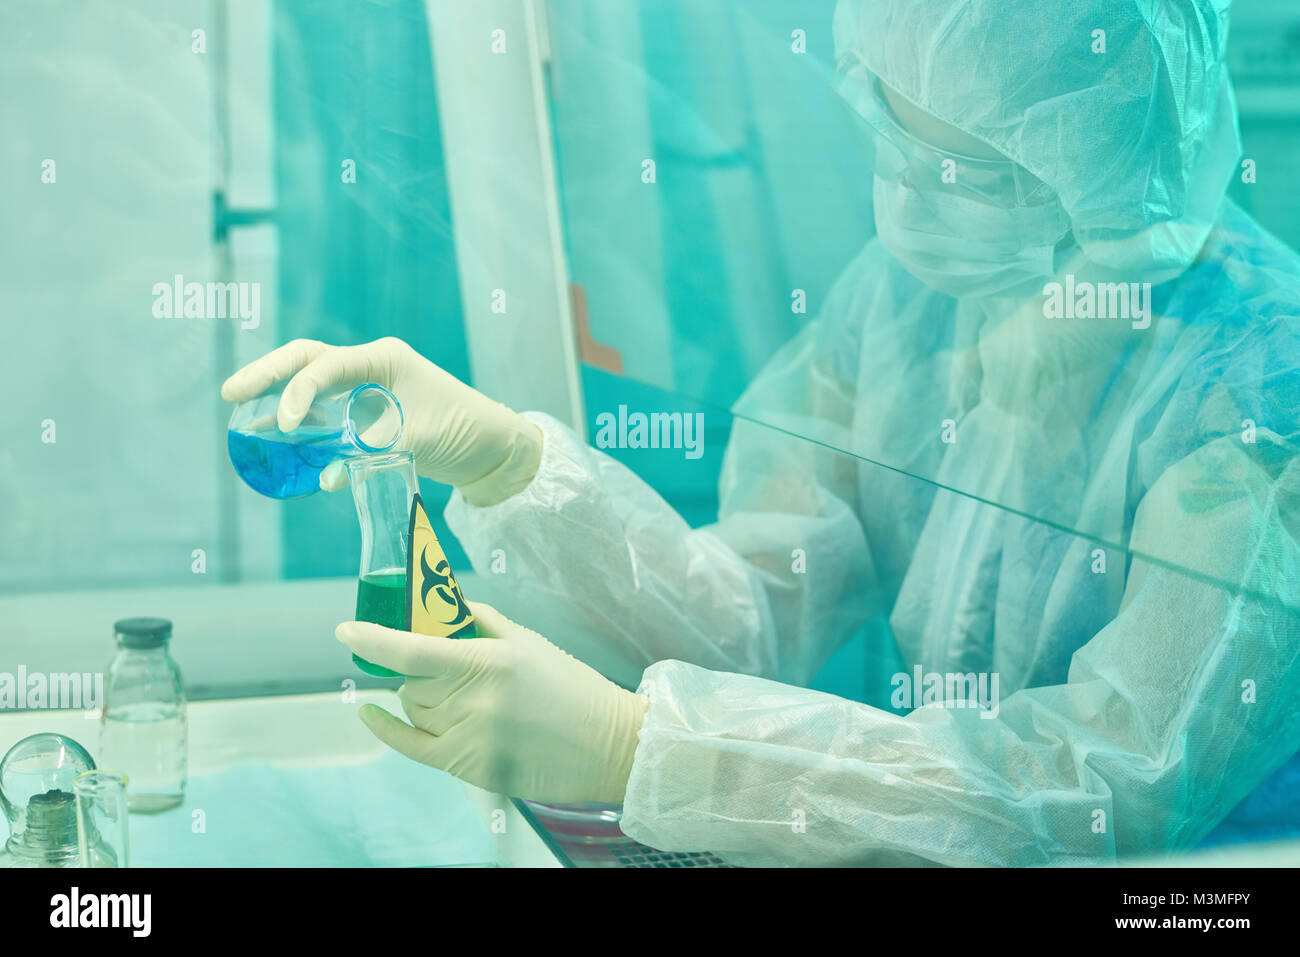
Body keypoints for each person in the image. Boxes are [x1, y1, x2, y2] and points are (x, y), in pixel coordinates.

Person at [221, 0, 1300, 866]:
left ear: (1099, 162)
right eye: (890, 136)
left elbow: (1099, 786)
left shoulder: (1257, 399)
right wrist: (515, 467)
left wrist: (640, 748)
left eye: (963, 174)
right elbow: (749, 612)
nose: (908, 203)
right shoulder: (914, 301)